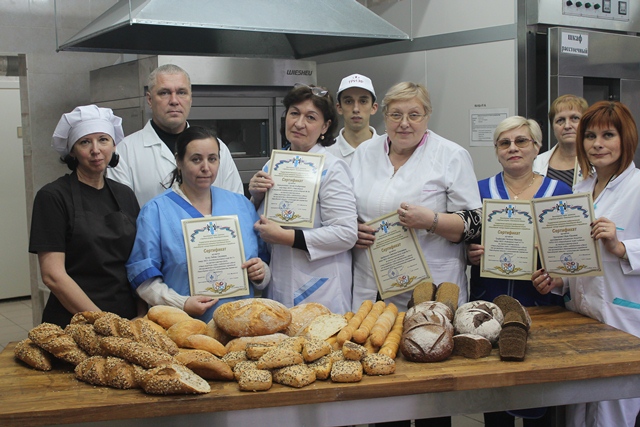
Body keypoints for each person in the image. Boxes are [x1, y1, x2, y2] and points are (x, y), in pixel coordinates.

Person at [532, 101, 640, 427]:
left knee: (613, 411)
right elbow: (583, 258)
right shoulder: (580, 190)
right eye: (590, 136)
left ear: (626, 139)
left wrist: (622, 247)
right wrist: (559, 281)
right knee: (578, 410)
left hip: (622, 317)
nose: (597, 144)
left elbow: (612, 254)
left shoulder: (638, 188)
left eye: (608, 135)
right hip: (581, 316)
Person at [467, 116, 572, 427]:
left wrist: (558, 276)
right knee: (494, 400)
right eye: (504, 142)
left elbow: (571, 253)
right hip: (490, 307)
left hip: (541, 307)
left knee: (539, 399)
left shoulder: (559, 190)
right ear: (497, 150)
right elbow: (462, 242)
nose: (513, 148)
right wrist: (470, 253)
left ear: (536, 147)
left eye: (521, 141)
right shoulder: (479, 190)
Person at [350, 81, 482, 313]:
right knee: (368, 339)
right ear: (384, 115)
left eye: (414, 115)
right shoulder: (364, 152)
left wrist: (431, 220)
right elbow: (347, 205)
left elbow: (476, 223)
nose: (404, 124)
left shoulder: (451, 155)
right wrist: (352, 228)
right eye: (396, 115)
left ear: (427, 116)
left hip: (429, 283)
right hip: (369, 281)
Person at [126, 126, 269, 322]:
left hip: (241, 323)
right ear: (179, 161)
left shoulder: (241, 205)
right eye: (196, 159)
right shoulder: (156, 211)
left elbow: (264, 260)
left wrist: (261, 273)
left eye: (212, 159)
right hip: (183, 326)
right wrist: (180, 302)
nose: (206, 168)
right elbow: (144, 280)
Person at [29, 105, 144, 327]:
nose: (96, 150)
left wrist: (141, 314)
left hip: (126, 318)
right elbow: (53, 275)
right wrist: (102, 323)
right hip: (73, 321)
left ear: (113, 144)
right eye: (85, 142)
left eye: (103, 139)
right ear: (72, 150)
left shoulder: (124, 194)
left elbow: (136, 261)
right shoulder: (52, 197)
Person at [249, 84, 358, 314]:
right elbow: (259, 226)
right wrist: (256, 197)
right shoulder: (274, 164)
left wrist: (288, 237)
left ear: (325, 126)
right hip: (280, 282)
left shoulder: (333, 168)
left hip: (322, 288)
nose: (299, 123)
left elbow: (346, 233)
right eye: (294, 113)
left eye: (310, 117)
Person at [107, 64, 243, 207]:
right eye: (164, 93)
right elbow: (121, 216)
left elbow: (235, 204)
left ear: (191, 98)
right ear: (149, 99)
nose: (174, 101)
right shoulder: (126, 152)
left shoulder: (218, 148)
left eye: (182, 92)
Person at [533, 94, 588, 187]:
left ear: (586, 123)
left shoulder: (597, 163)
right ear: (552, 127)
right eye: (560, 120)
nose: (567, 126)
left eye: (574, 118)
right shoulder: (536, 164)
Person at [325, 73, 379, 165]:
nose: (356, 109)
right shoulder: (325, 153)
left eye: (363, 101)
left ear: (373, 108)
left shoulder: (389, 151)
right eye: (349, 101)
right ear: (339, 108)